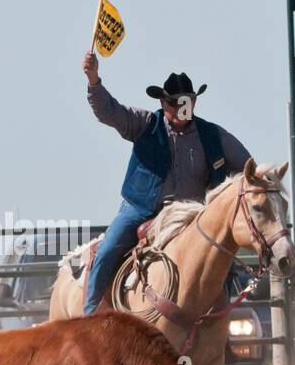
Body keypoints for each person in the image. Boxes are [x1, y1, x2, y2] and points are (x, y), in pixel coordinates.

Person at [81, 50, 253, 314]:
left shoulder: (213, 136)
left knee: (222, 257)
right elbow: (109, 112)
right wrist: (94, 79)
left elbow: (246, 167)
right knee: (107, 250)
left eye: (186, 101)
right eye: (175, 102)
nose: (181, 107)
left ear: (193, 103)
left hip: (191, 215)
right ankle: (90, 314)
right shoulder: (145, 124)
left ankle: (216, 324)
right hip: (140, 209)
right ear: (163, 103)